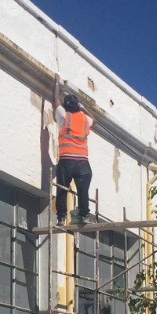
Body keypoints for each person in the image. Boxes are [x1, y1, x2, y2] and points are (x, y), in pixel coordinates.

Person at [53, 76, 93, 225]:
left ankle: (61, 217)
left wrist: (56, 83)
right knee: (83, 190)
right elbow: (93, 118)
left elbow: (55, 99)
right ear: (77, 106)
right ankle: (84, 215)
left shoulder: (64, 116)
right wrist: (83, 108)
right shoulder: (84, 119)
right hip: (83, 162)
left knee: (63, 188)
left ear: (66, 106)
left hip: (67, 160)